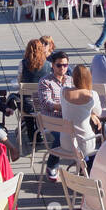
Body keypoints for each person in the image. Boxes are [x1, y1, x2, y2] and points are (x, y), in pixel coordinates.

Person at [36, 50, 73, 181]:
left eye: (65, 65)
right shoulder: (45, 81)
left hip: (68, 119)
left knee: (85, 133)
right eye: (59, 65)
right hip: (51, 120)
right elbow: (47, 103)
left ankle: (85, 164)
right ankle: (52, 165)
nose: (62, 68)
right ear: (52, 65)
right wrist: (66, 106)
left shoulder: (70, 80)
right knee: (63, 136)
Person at [60, 65, 102, 166]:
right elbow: (99, 112)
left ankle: (83, 167)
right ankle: (88, 170)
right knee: (100, 138)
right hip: (85, 143)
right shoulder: (92, 95)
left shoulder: (63, 91)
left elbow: (72, 109)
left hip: (66, 143)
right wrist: (91, 113)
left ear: (73, 78)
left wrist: (90, 113)